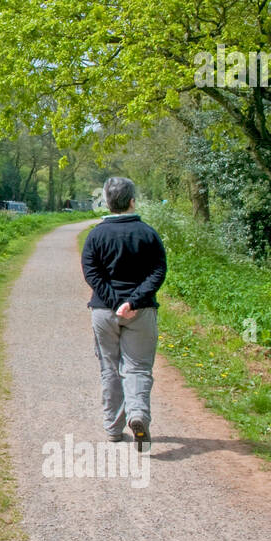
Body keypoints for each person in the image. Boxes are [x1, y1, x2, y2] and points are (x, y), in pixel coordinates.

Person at [80, 177, 166, 451]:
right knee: (138, 367)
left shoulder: (95, 235)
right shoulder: (148, 233)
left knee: (109, 368)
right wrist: (133, 302)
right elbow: (158, 271)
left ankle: (113, 428)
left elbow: (92, 273)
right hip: (140, 312)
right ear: (132, 201)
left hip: (104, 311)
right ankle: (138, 415)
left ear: (107, 202)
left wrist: (116, 301)